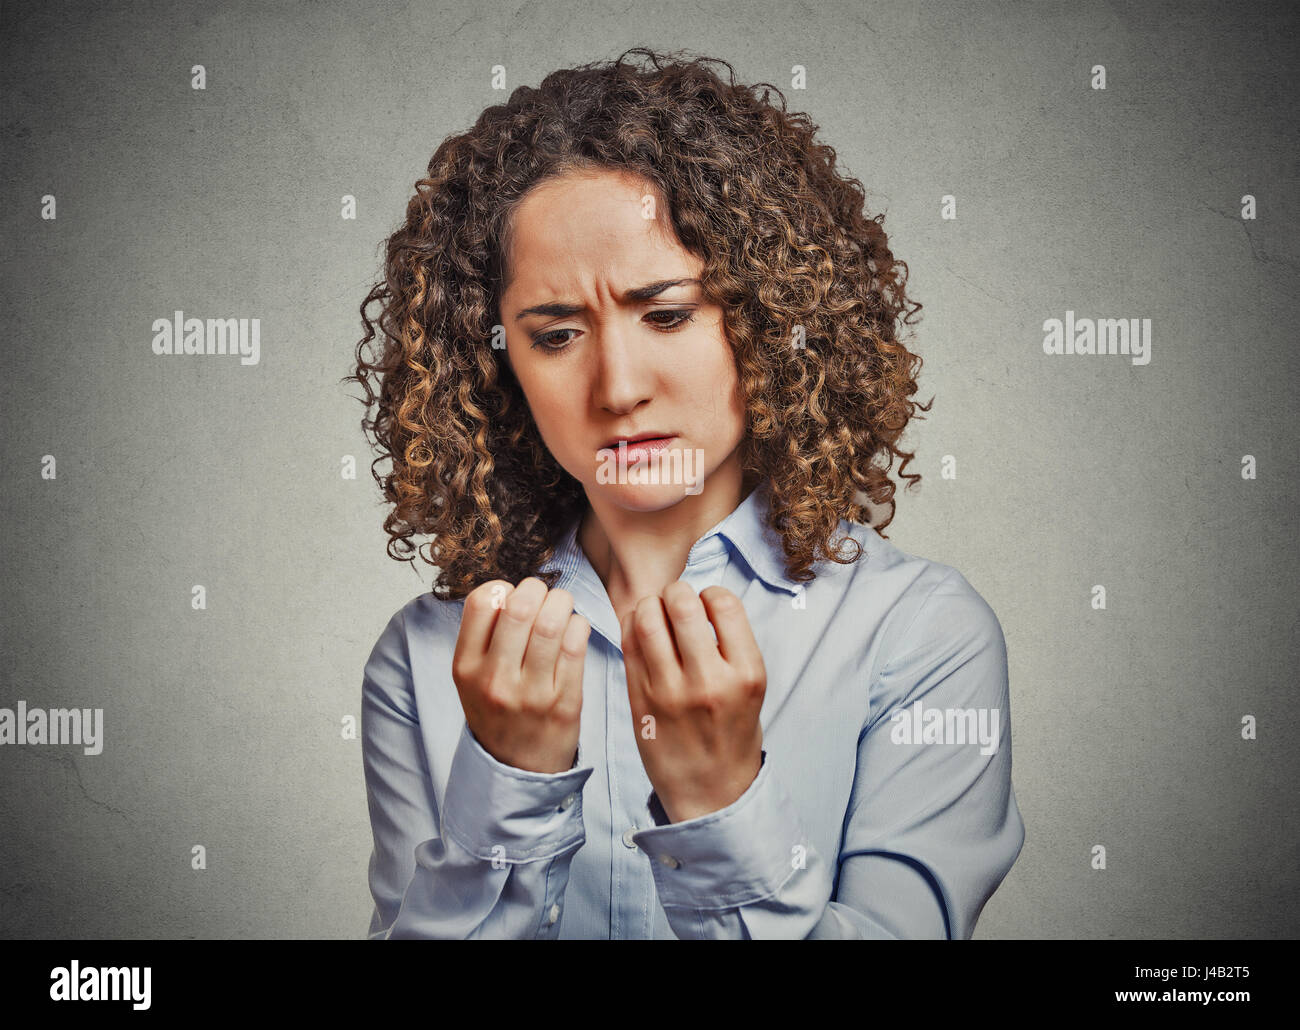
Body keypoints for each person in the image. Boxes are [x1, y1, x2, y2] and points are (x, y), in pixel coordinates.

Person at [348, 47, 1024, 939]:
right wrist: (505, 792)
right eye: (555, 336)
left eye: (667, 314)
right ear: (494, 361)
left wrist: (720, 801)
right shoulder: (426, 661)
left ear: (770, 318)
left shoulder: (921, 636)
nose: (619, 387)